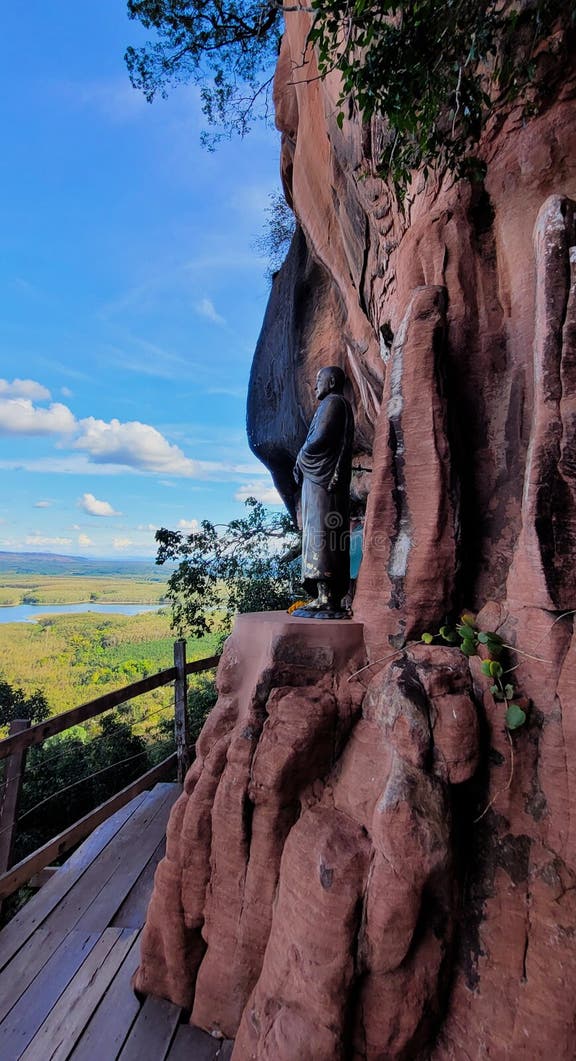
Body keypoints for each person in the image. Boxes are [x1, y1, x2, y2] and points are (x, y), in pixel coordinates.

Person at [293, 366, 354, 615]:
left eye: (319, 380)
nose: (315, 385)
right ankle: (321, 594)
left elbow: (321, 439)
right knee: (316, 533)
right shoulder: (328, 404)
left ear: (330, 382)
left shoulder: (334, 403)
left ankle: (328, 595)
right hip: (316, 482)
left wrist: (300, 456)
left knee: (324, 533)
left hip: (324, 482)